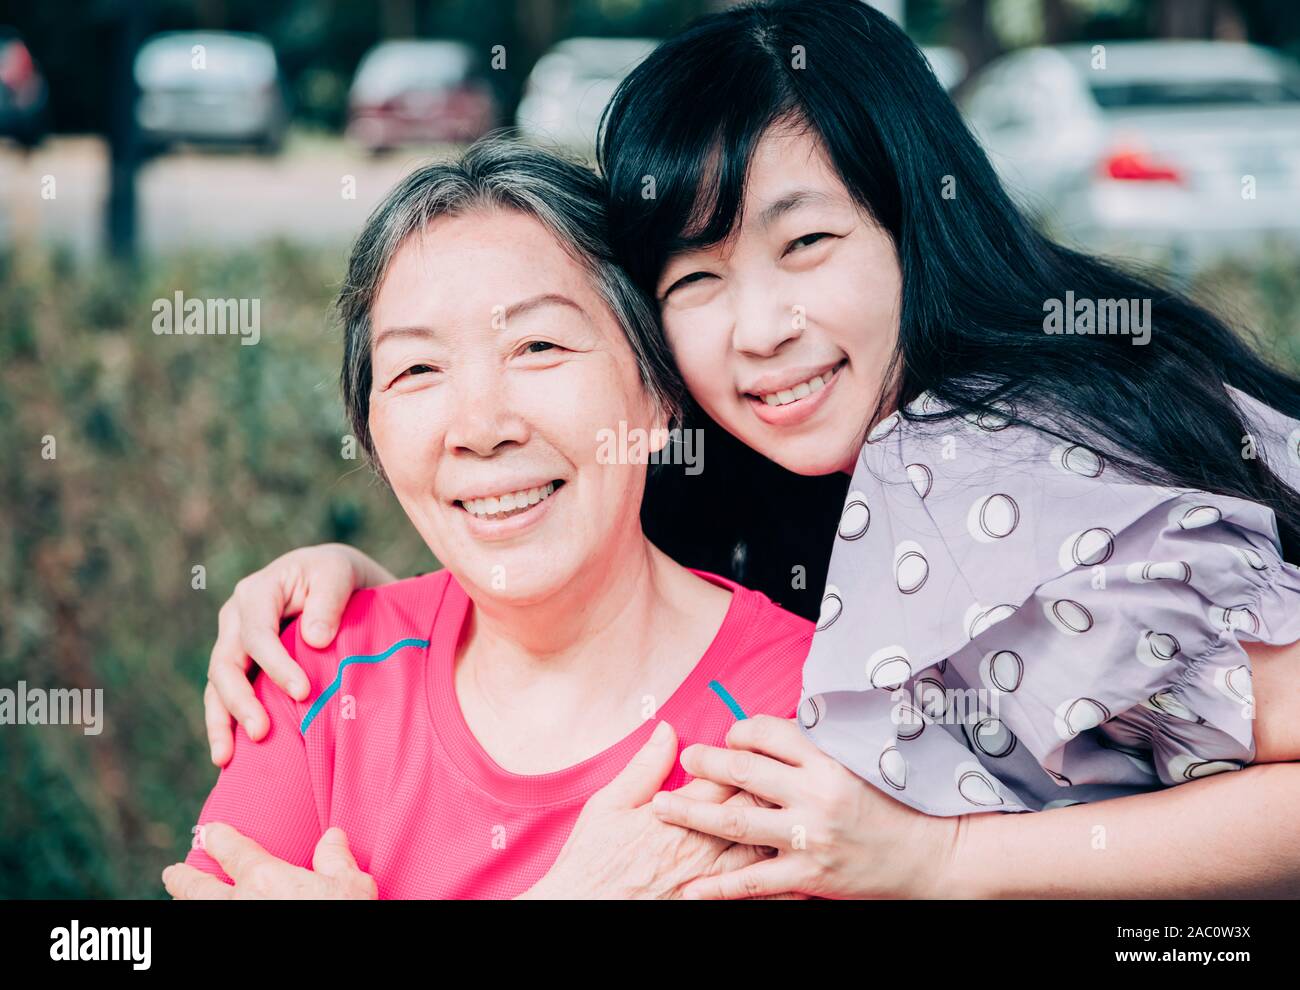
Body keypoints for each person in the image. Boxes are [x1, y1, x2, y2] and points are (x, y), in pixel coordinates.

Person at [198, 0, 1300, 898]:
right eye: (695, 279)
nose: (757, 326)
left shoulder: (986, 456)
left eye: (807, 241)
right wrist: (398, 602)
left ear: (913, 220)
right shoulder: (823, 460)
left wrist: (950, 862)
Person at [162, 140, 811, 900]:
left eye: (537, 346)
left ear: (660, 394)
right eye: (417, 369)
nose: (479, 425)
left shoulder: (795, 722)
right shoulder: (312, 675)